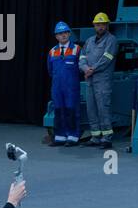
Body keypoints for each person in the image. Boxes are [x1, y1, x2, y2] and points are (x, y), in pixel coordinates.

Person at [79, 12, 118, 150]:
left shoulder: (111, 40)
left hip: (102, 81)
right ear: (94, 26)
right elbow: (82, 57)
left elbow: (107, 58)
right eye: (97, 24)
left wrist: (92, 69)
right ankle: (95, 137)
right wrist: (85, 69)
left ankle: (107, 138)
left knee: (103, 108)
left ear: (107, 25)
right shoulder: (89, 41)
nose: (100, 27)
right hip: (90, 80)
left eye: (102, 24)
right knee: (91, 109)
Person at [48, 21, 81, 147]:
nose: (63, 35)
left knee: (72, 111)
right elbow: (50, 69)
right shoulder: (52, 52)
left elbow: (81, 67)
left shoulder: (77, 49)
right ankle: (60, 136)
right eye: (60, 33)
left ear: (69, 34)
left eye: (65, 33)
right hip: (57, 87)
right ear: (56, 36)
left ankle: (73, 136)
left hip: (71, 88)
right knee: (58, 110)